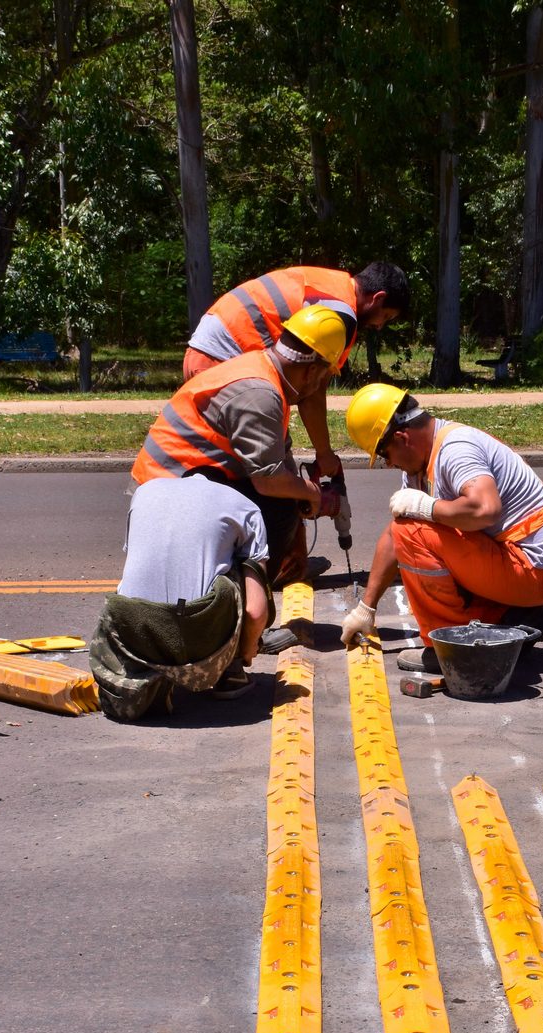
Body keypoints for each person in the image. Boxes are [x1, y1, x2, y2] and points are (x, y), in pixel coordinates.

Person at [340, 384, 543, 672]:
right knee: (407, 526)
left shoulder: (454, 449)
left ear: (402, 437)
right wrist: (367, 608)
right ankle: (490, 629)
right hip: (525, 574)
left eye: (385, 454)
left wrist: (427, 508)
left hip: (538, 576)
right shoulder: (420, 465)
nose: (389, 464)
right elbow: (392, 535)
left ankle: (452, 649)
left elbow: (485, 509)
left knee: (413, 531)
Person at [131, 306, 350, 591]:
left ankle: (254, 584)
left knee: (284, 498)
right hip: (166, 492)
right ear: (311, 371)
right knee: (277, 506)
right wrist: (315, 495)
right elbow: (269, 481)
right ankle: (243, 611)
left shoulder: (263, 371)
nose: (321, 385)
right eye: (325, 377)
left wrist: (296, 542)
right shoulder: (260, 394)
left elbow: (277, 463)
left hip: (178, 482)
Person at [183, 262, 411, 479]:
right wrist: (324, 454)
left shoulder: (333, 283)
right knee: (271, 476)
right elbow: (312, 391)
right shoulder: (340, 315)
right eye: (386, 316)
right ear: (377, 298)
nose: (380, 326)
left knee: (257, 462)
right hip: (221, 360)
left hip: (208, 352)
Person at [90, 472, 276, 721]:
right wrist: (248, 650)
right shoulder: (244, 506)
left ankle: (142, 677)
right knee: (240, 565)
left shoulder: (144, 492)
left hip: (134, 631)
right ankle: (229, 675)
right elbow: (255, 611)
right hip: (200, 643)